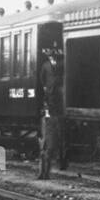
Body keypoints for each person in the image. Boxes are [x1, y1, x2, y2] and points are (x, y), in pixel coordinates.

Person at [37, 46, 66, 179]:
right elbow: (42, 79)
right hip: (51, 112)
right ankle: (44, 173)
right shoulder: (45, 66)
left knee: (52, 145)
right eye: (50, 56)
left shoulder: (62, 64)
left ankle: (49, 170)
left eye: (53, 55)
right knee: (47, 147)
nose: (52, 57)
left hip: (57, 104)